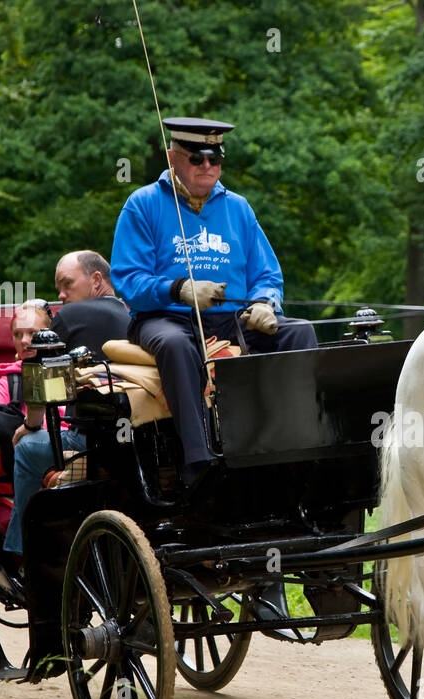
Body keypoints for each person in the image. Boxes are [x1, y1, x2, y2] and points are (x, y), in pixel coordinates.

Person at [110, 116, 316, 485]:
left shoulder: (238, 207)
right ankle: (198, 462)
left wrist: (265, 303)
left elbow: (266, 274)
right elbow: (127, 279)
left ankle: (297, 445)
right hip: (164, 318)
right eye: (197, 158)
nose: (208, 166)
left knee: (299, 333)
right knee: (176, 346)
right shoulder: (142, 204)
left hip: (231, 319)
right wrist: (179, 290)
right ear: (173, 157)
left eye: (216, 158)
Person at [0, 301, 85, 557]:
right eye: (17, 334)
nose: (24, 341)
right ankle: (22, 552)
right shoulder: (9, 381)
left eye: (32, 333)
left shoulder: (72, 373)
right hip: (39, 460)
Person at [50, 250, 131, 357]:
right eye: (59, 290)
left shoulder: (69, 315)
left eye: (68, 283)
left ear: (96, 280)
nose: (61, 296)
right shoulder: (134, 320)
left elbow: (40, 367)